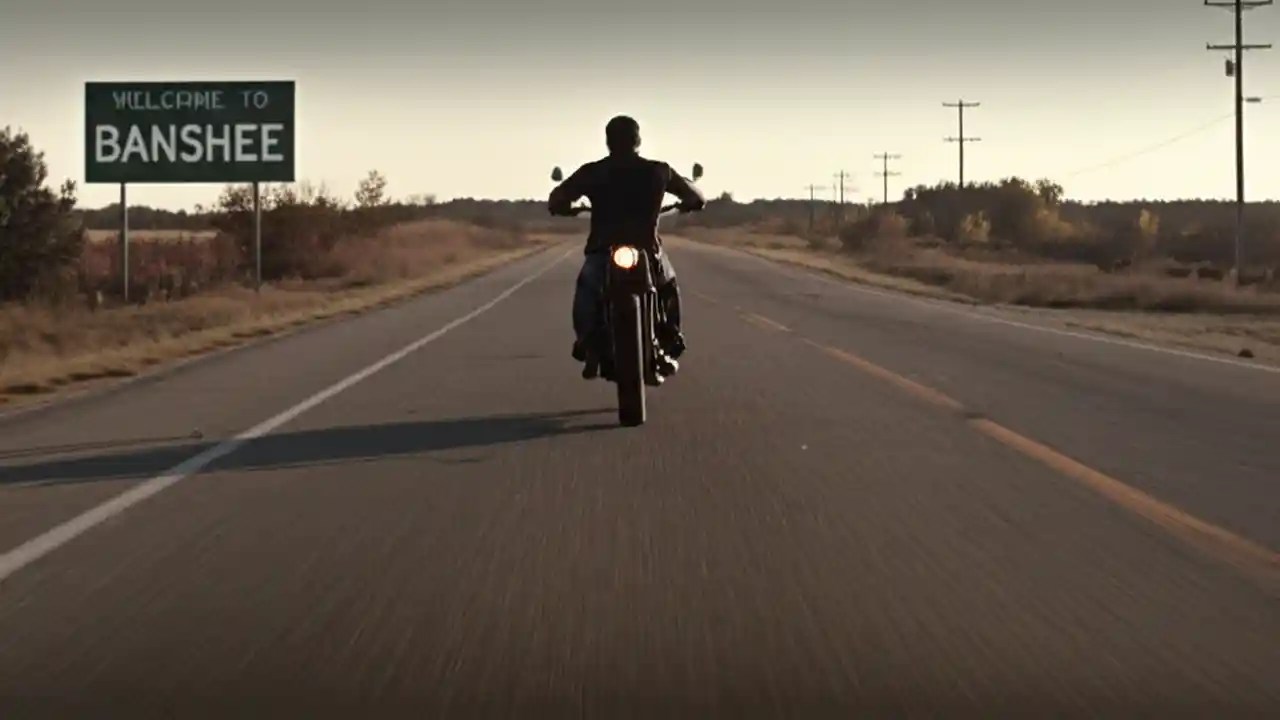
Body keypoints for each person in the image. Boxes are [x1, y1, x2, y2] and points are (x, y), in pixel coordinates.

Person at [548, 115, 705, 379]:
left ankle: (588, 343)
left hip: (602, 250)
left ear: (608, 142)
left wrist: (565, 207)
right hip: (647, 249)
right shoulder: (658, 170)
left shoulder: (593, 171)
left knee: (587, 287)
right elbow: (697, 196)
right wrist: (690, 200)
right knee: (667, 285)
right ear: (639, 140)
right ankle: (671, 340)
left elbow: (557, 198)